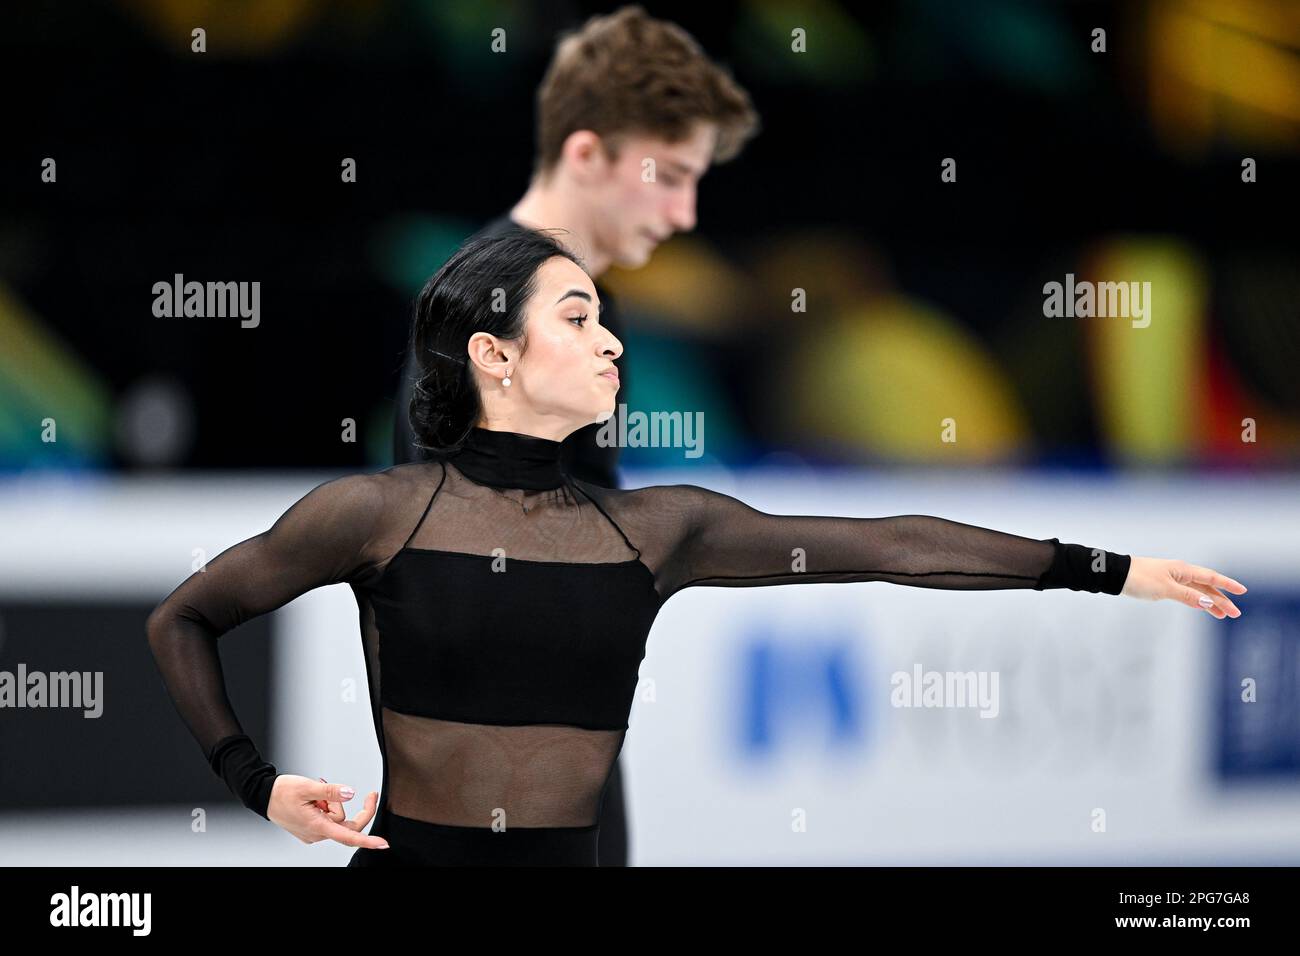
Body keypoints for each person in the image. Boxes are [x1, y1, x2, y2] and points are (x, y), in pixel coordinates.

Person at [147, 230, 1246, 867]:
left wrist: (1106, 568)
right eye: (577, 317)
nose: (611, 337)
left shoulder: (655, 526)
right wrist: (258, 783)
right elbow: (182, 615)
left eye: (604, 315)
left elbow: (894, 540)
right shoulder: (377, 511)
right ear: (494, 354)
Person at [388, 4, 760, 865]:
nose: (685, 213)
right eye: (667, 176)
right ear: (588, 155)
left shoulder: (562, 293)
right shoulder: (507, 297)